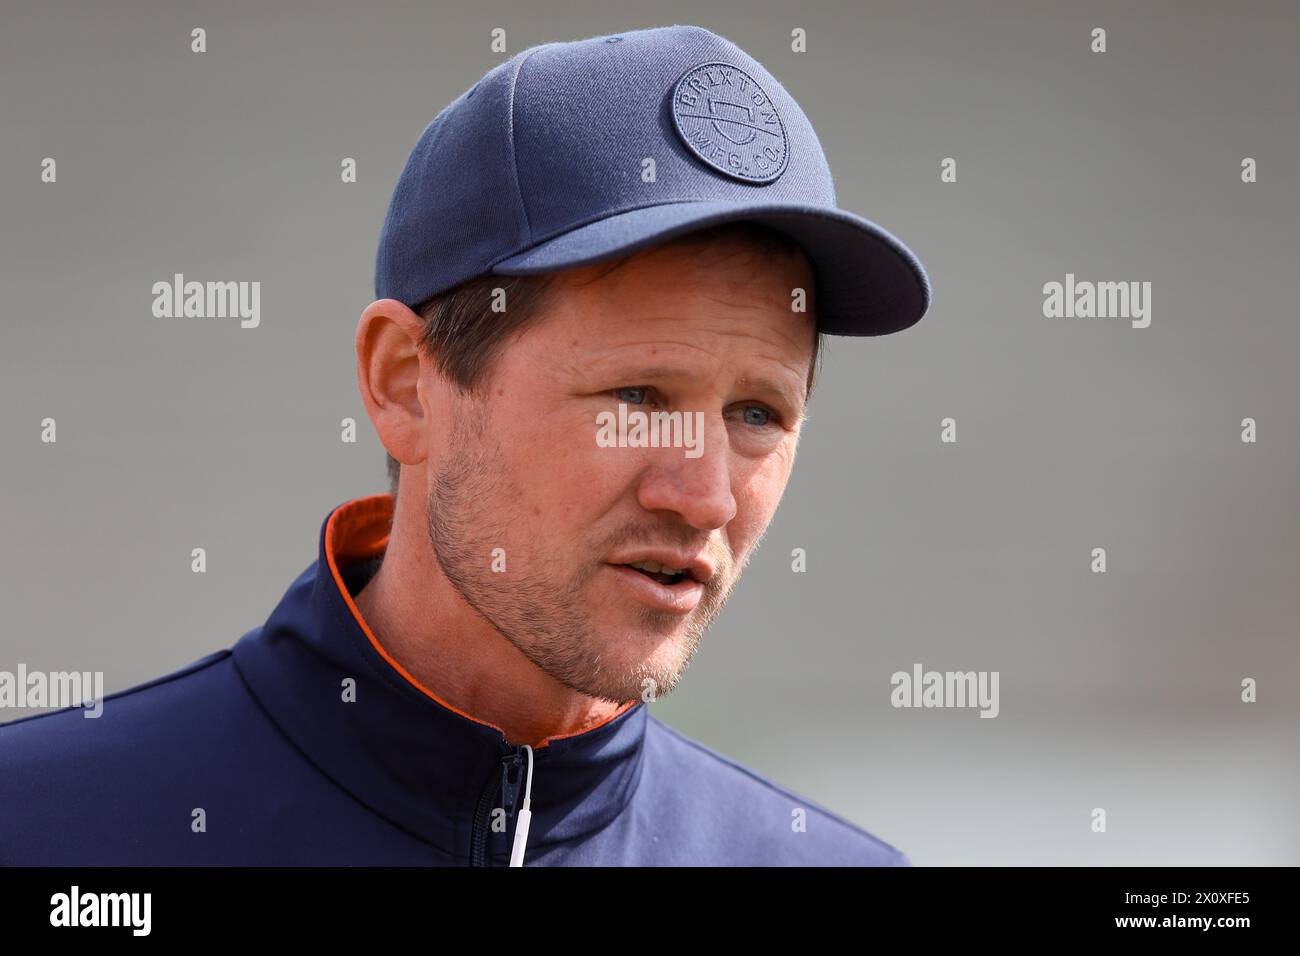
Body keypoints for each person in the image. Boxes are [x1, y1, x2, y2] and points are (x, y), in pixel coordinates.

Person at [0, 24, 930, 866]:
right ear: (407, 383)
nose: (706, 497)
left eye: (758, 414)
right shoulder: (44, 826)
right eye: (638, 396)